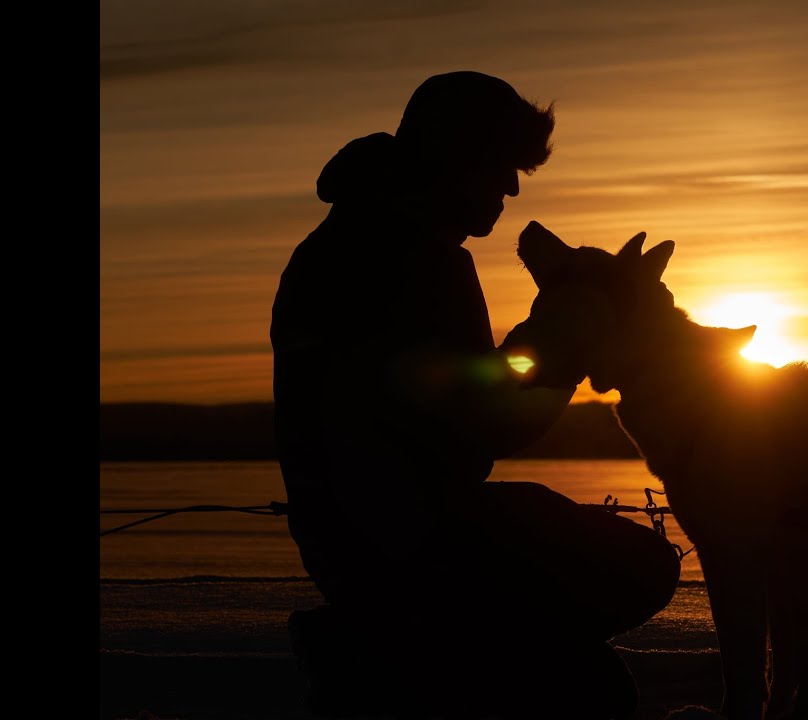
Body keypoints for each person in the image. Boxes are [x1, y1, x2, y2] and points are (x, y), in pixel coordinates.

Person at [270, 71, 680, 719]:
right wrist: (559, 341)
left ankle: (389, 653)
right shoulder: (410, 258)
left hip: (352, 531)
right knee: (641, 569)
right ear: (456, 155)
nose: (513, 188)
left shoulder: (351, 244)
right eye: (502, 167)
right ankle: (383, 657)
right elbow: (475, 429)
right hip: (402, 540)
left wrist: (539, 348)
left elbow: (460, 397)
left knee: (592, 641)